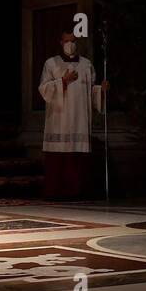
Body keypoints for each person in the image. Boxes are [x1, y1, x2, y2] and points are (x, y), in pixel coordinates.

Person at [38, 31, 108, 199]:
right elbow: (44, 89)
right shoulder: (51, 63)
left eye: (73, 41)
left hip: (79, 120)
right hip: (59, 120)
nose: (70, 44)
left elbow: (91, 91)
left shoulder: (86, 64)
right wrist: (63, 81)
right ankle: (56, 191)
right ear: (60, 42)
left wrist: (101, 91)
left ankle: (78, 192)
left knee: (78, 159)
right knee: (59, 159)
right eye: (67, 41)